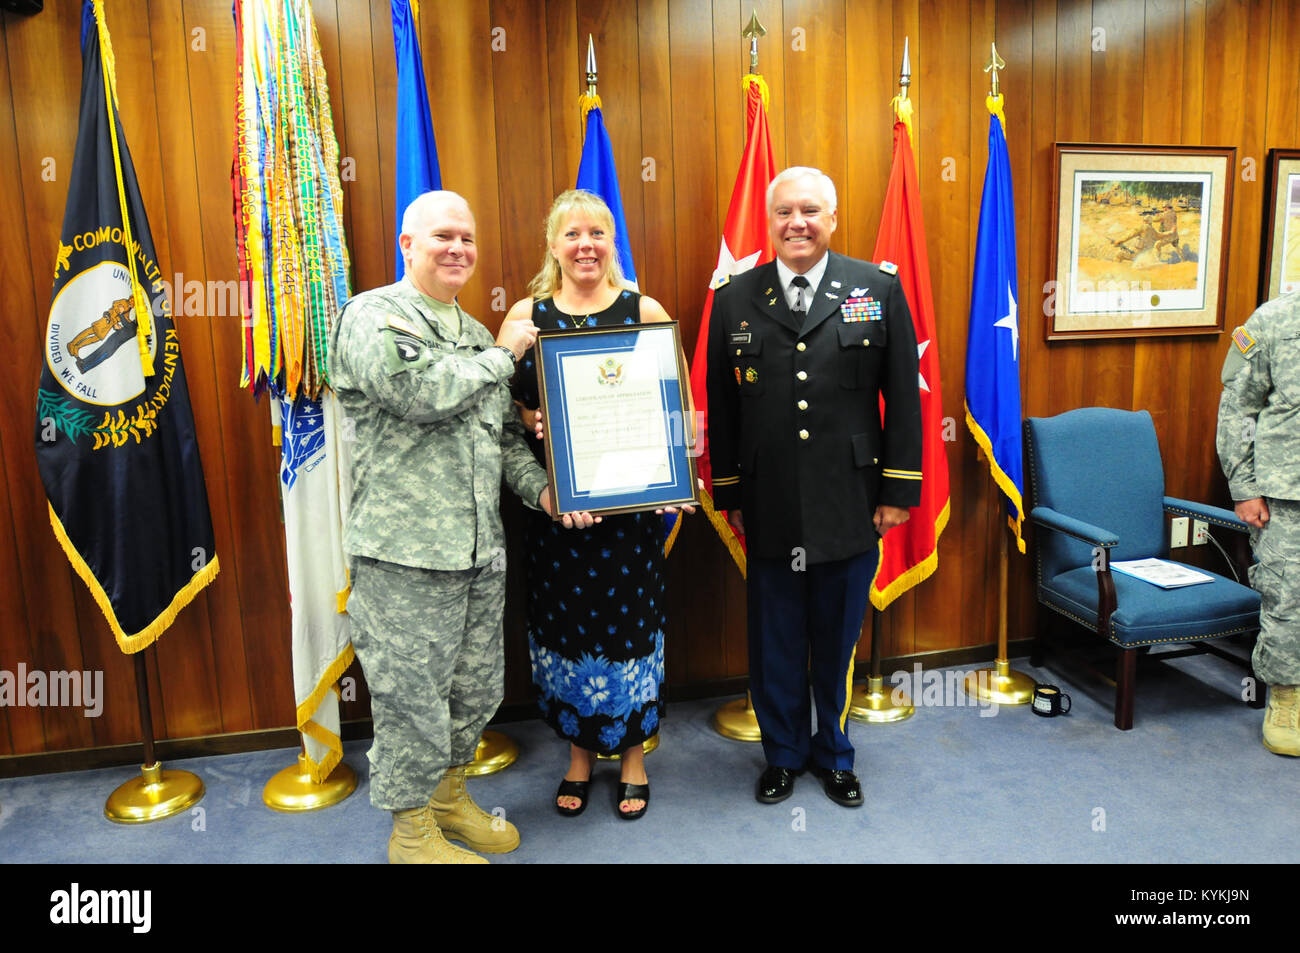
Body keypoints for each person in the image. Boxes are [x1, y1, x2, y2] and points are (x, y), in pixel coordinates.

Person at [330, 190, 591, 863]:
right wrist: (504, 357)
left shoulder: (475, 334)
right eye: (443, 236)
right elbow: (419, 393)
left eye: (467, 239)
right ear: (406, 244)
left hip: (478, 552)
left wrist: (545, 493)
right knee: (411, 697)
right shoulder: (373, 315)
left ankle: (447, 796)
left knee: (475, 688)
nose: (457, 249)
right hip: (404, 556)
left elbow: (504, 440)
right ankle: (410, 830)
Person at [706, 167, 922, 808]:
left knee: (836, 636)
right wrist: (731, 494)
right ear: (768, 222)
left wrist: (897, 490)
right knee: (774, 638)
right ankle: (782, 755)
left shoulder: (875, 287)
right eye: (783, 213)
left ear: (831, 218)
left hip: (849, 500)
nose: (796, 223)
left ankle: (833, 752)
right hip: (768, 500)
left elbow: (904, 400)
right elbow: (723, 404)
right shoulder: (734, 297)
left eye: (809, 211)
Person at [506, 189, 691, 820]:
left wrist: (675, 482)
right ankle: (580, 757)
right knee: (567, 630)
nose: (585, 245)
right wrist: (534, 418)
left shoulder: (645, 310)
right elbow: (506, 415)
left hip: (629, 515)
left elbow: (676, 410)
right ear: (552, 245)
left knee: (631, 632)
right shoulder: (526, 320)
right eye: (572, 234)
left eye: (597, 234)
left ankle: (634, 757)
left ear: (611, 242)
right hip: (558, 513)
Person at [1216, 291, 1300, 757]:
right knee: (1288, 596)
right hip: (1289, 493)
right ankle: (1287, 699)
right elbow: (1239, 410)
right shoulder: (1274, 321)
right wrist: (1244, 486)